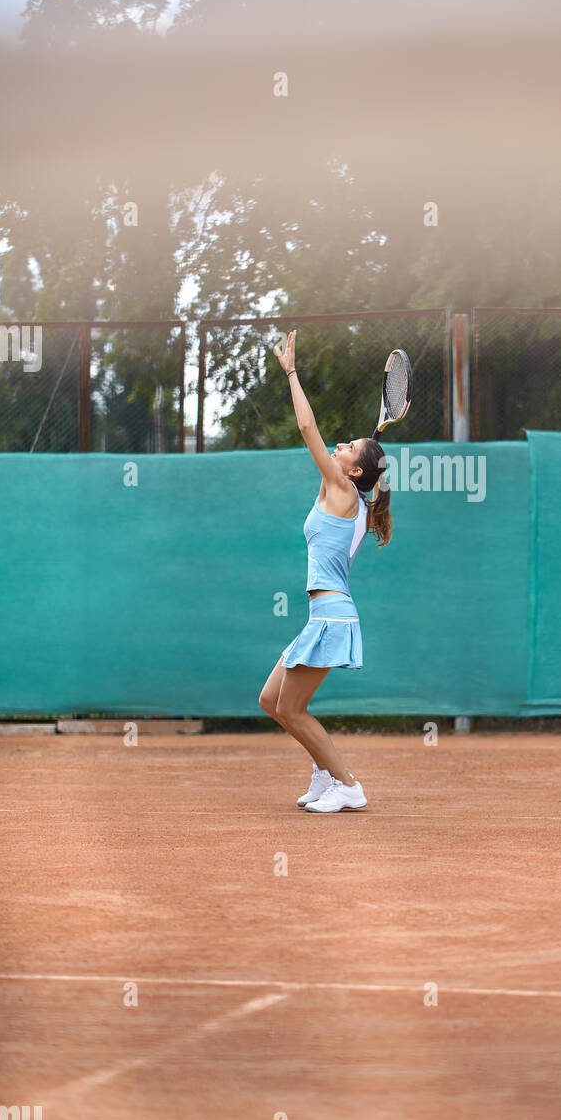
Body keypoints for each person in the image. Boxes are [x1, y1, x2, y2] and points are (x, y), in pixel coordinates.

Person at [258, 329, 392, 811]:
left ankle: (347, 785)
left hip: (332, 616)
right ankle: (322, 773)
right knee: (271, 702)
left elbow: (308, 430)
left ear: (354, 472)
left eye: (350, 446)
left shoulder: (340, 488)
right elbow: (323, 441)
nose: (339, 444)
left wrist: (292, 373)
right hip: (325, 615)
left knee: (291, 707)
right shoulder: (345, 490)